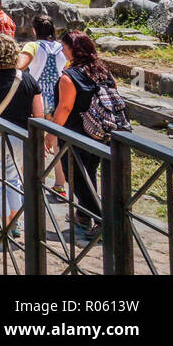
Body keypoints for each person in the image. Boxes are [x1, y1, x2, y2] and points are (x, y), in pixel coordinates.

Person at [50, 30, 128, 239]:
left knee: (75, 177)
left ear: (72, 50)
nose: (63, 51)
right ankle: (84, 216)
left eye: (64, 47)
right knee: (89, 173)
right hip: (102, 132)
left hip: (76, 134)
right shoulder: (104, 71)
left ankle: (103, 222)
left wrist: (51, 133)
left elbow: (64, 108)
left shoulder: (69, 77)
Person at [0, 33, 43, 242]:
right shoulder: (28, 79)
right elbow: (39, 114)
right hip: (22, 136)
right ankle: (15, 223)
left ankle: (1, 224)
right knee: (14, 179)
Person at [17, 15, 68, 199]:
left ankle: (29, 179)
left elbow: (20, 66)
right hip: (58, 97)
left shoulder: (32, 46)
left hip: (36, 97)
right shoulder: (63, 47)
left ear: (34, 30)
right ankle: (60, 185)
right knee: (56, 142)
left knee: (32, 139)